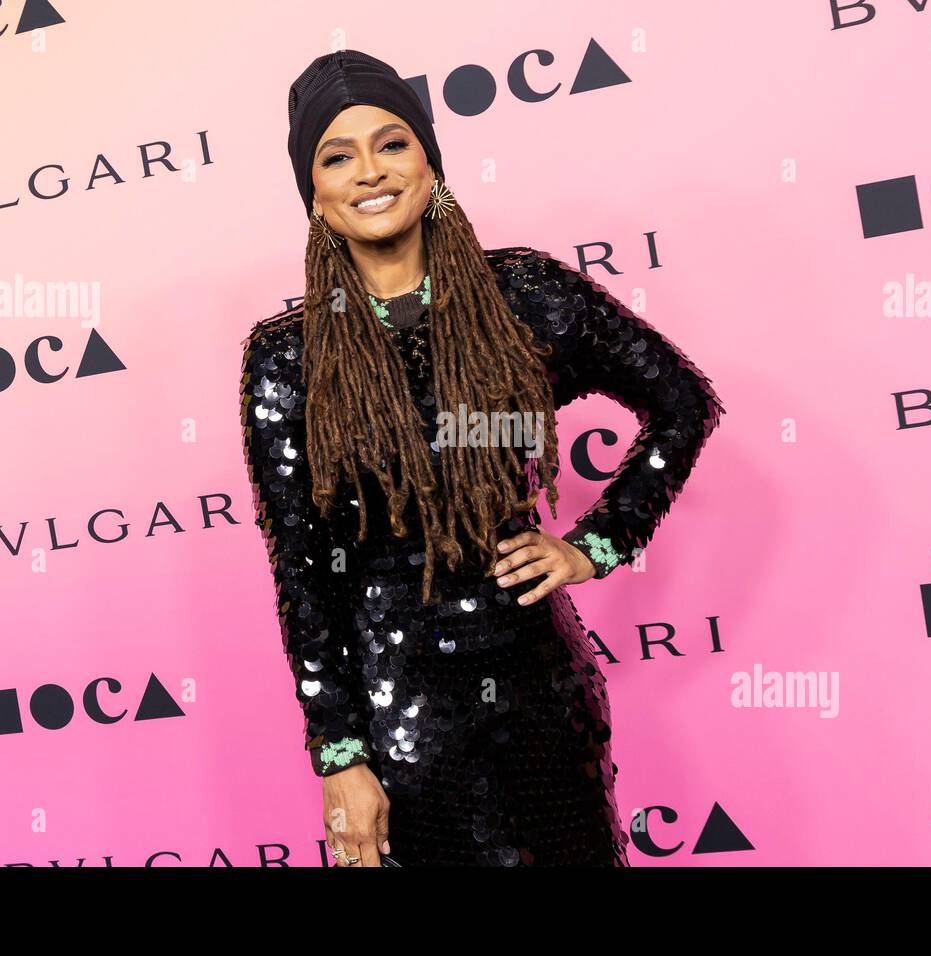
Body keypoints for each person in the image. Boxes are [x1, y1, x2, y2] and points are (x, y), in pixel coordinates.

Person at [239, 49, 726, 867]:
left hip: (542, 698)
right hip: (399, 722)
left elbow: (683, 403)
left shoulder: (528, 296)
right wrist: (340, 756)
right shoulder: (287, 359)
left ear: (429, 160)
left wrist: (596, 545)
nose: (370, 172)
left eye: (392, 143)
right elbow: (302, 572)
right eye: (337, 156)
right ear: (313, 193)